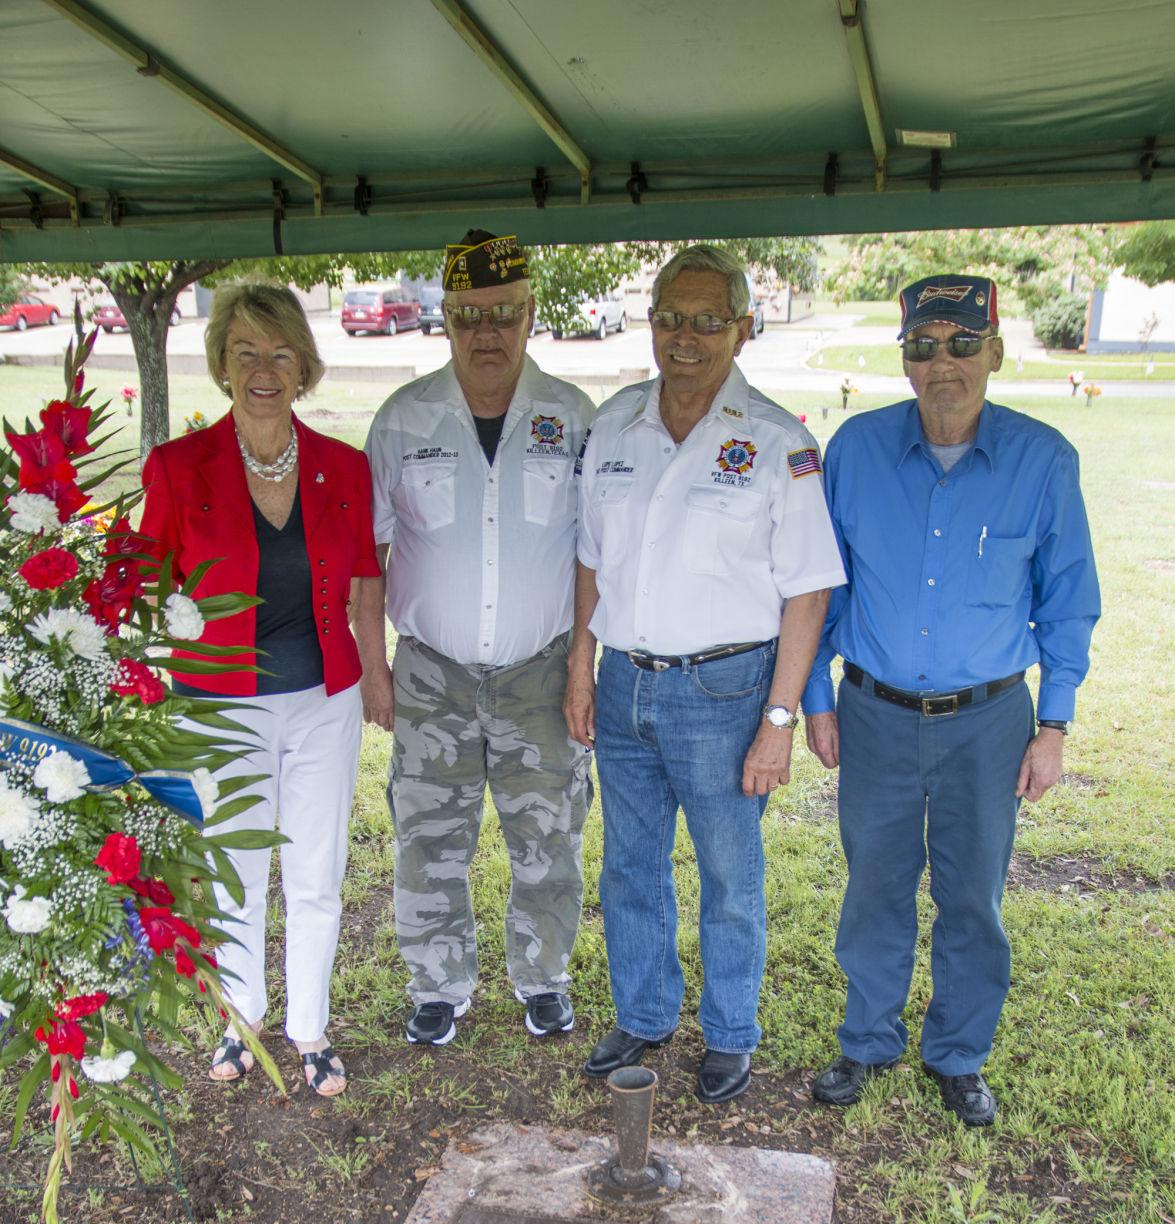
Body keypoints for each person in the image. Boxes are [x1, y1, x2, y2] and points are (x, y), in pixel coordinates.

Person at [804, 275, 1101, 1127]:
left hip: (989, 721)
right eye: (923, 345)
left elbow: (1067, 601)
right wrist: (816, 698)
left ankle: (959, 1054)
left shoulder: (1043, 460)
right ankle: (866, 1041)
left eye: (963, 343)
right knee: (874, 886)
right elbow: (820, 586)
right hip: (873, 714)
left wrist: (1054, 723)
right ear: (904, 359)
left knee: (972, 896)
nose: (944, 363)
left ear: (994, 353)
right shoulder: (854, 450)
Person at [566, 244, 845, 1103]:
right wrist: (581, 666)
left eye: (706, 320)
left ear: (742, 328)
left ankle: (728, 1034)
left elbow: (808, 591)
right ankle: (644, 1014)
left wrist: (779, 720)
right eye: (669, 318)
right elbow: (588, 560)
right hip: (624, 682)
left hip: (724, 693)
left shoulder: (777, 442)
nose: (683, 338)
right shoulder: (614, 425)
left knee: (728, 874)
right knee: (629, 866)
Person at [139, 282, 392, 1096]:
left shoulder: (343, 466)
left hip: (323, 701)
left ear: (303, 367)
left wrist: (375, 674)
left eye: (281, 353)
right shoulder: (178, 467)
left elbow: (365, 578)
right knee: (236, 872)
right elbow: (140, 585)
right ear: (222, 364)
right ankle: (240, 1017)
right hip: (219, 705)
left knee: (317, 871)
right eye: (246, 352)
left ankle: (310, 1028)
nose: (263, 369)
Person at [365, 231, 594, 1047]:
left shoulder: (571, 416)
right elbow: (368, 554)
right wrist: (373, 668)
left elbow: (592, 554)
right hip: (432, 672)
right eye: (468, 316)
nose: (485, 332)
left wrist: (582, 665)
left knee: (549, 834)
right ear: (445, 319)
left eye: (502, 313)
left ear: (529, 314)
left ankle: (543, 976)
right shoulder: (404, 418)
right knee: (427, 836)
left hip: (542, 670)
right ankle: (437, 983)